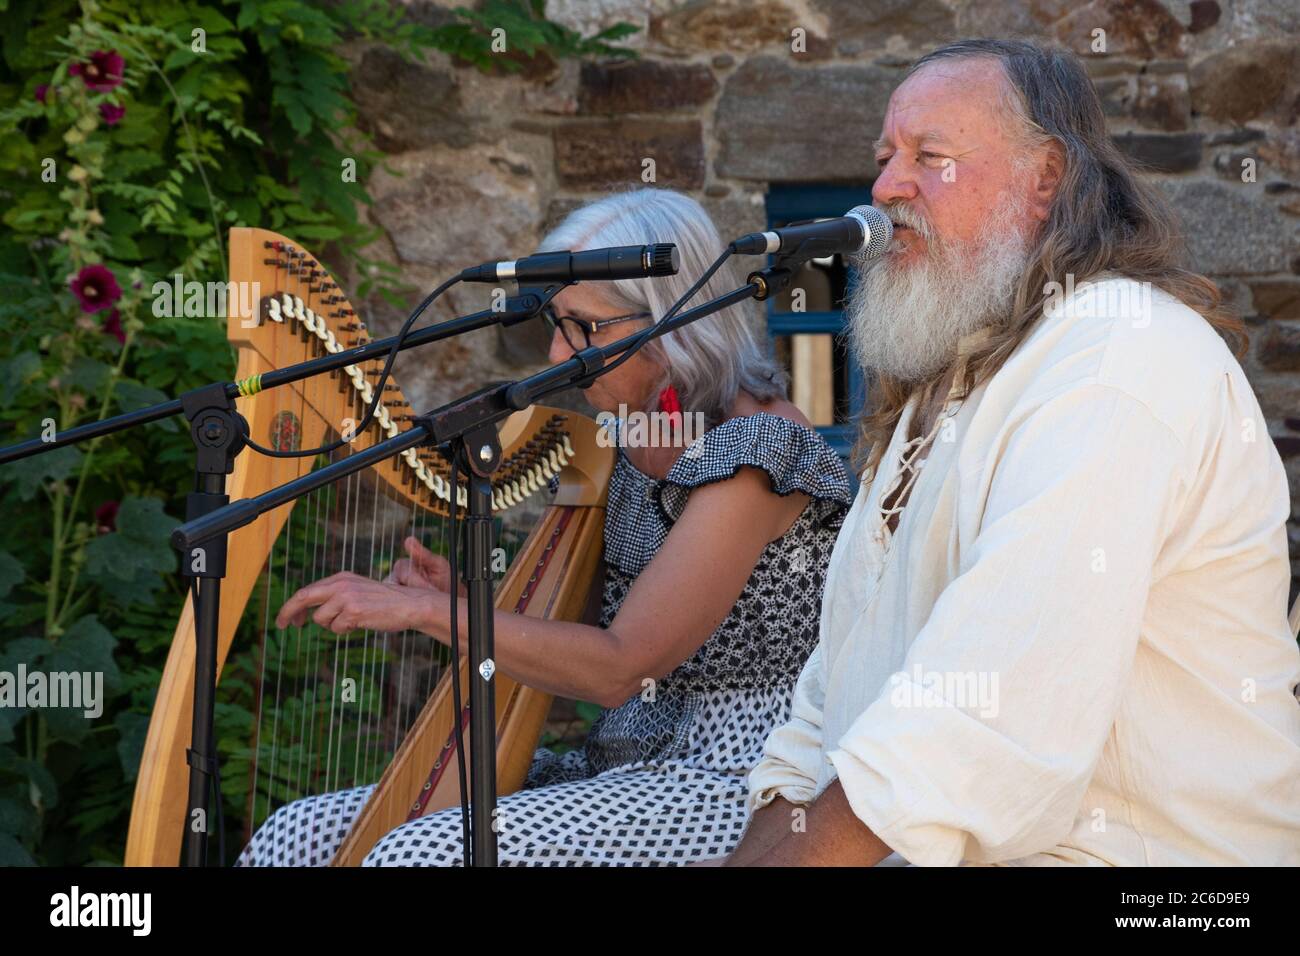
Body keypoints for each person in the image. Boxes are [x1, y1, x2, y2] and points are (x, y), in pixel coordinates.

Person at [730, 38, 1300, 867]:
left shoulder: (1114, 359)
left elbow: (982, 712)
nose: (887, 187)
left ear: (1046, 180)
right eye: (886, 157)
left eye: (933, 157)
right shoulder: (950, 378)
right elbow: (826, 703)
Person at [237, 188, 853, 866]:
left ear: (672, 324)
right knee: (294, 835)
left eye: (588, 328)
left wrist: (430, 611)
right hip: (625, 762)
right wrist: (469, 605)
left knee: (422, 854)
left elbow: (620, 665)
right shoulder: (630, 438)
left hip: (742, 776)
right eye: (557, 323)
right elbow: (588, 629)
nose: (561, 351)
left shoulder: (757, 453)